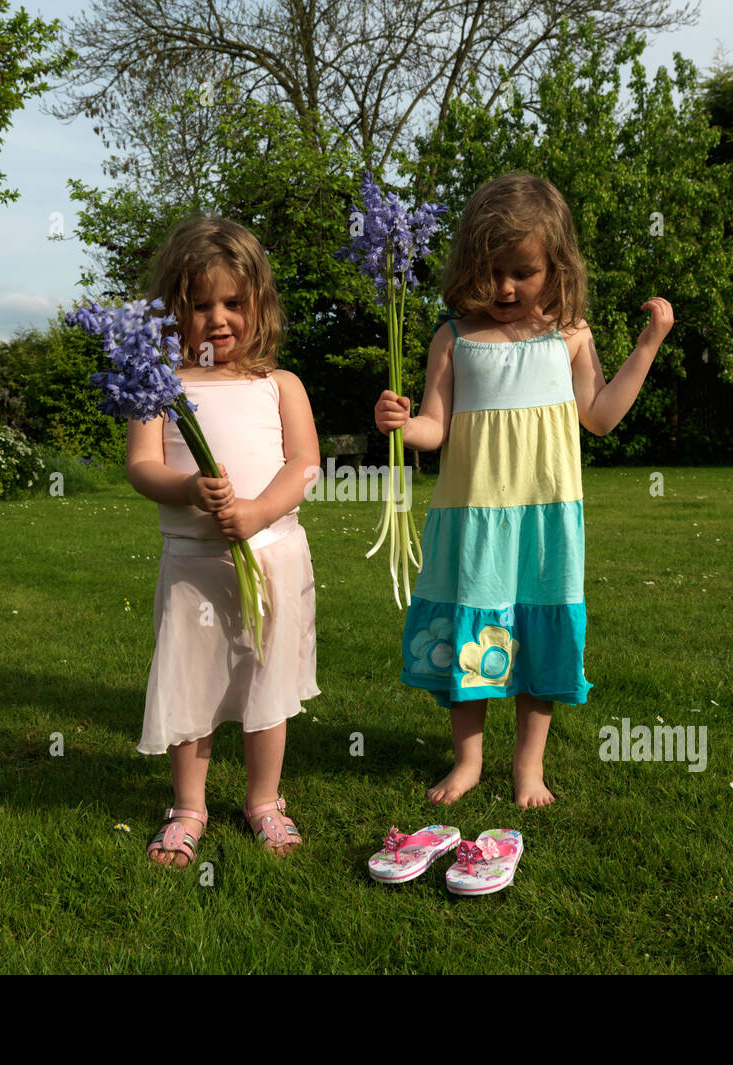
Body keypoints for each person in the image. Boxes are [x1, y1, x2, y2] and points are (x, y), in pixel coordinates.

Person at [374, 173, 673, 808]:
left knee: (538, 633)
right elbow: (434, 425)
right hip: (472, 516)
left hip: (544, 518)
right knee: (471, 636)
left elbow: (600, 416)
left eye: (522, 271)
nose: (504, 287)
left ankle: (528, 768)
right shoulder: (454, 337)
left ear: (556, 268)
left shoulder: (570, 336)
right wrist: (404, 424)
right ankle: (468, 761)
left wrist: (647, 347)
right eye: (490, 270)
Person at [128, 216, 321, 865]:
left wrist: (259, 510)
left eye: (233, 303)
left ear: (258, 305)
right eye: (200, 305)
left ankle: (264, 799)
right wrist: (186, 490)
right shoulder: (158, 386)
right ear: (172, 313)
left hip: (272, 557)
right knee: (193, 686)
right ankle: (188, 806)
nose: (218, 319)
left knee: (267, 683)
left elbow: (305, 464)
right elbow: (142, 465)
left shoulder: (279, 384)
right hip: (195, 567)